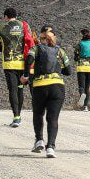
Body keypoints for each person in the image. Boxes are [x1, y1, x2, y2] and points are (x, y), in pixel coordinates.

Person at [22, 26, 71, 158]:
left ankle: (39, 140)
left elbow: (29, 60)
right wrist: (58, 68)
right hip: (57, 86)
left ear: (40, 37)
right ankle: (51, 148)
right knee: (53, 118)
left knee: (38, 114)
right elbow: (69, 71)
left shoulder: (36, 48)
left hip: (40, 86)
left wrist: (26, 75)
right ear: (53, 37)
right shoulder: (60, 50)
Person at [0, 8, 34, 127]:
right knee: (20, 88)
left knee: (12, 90)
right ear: (16, 16)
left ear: (6, 16)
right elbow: (30, 42)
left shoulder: (1, 27)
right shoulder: (24, 25)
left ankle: (16, 116)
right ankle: (19, 114)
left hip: (9, 63)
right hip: (23, 63)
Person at [74, 28, 90, 111]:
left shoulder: (79, 44)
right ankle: (85, 107)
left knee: (81, 86)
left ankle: (82, 94)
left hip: (81, 67)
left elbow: (75, 57)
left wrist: (78, 58)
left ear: (82, 35)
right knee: (87, 87)